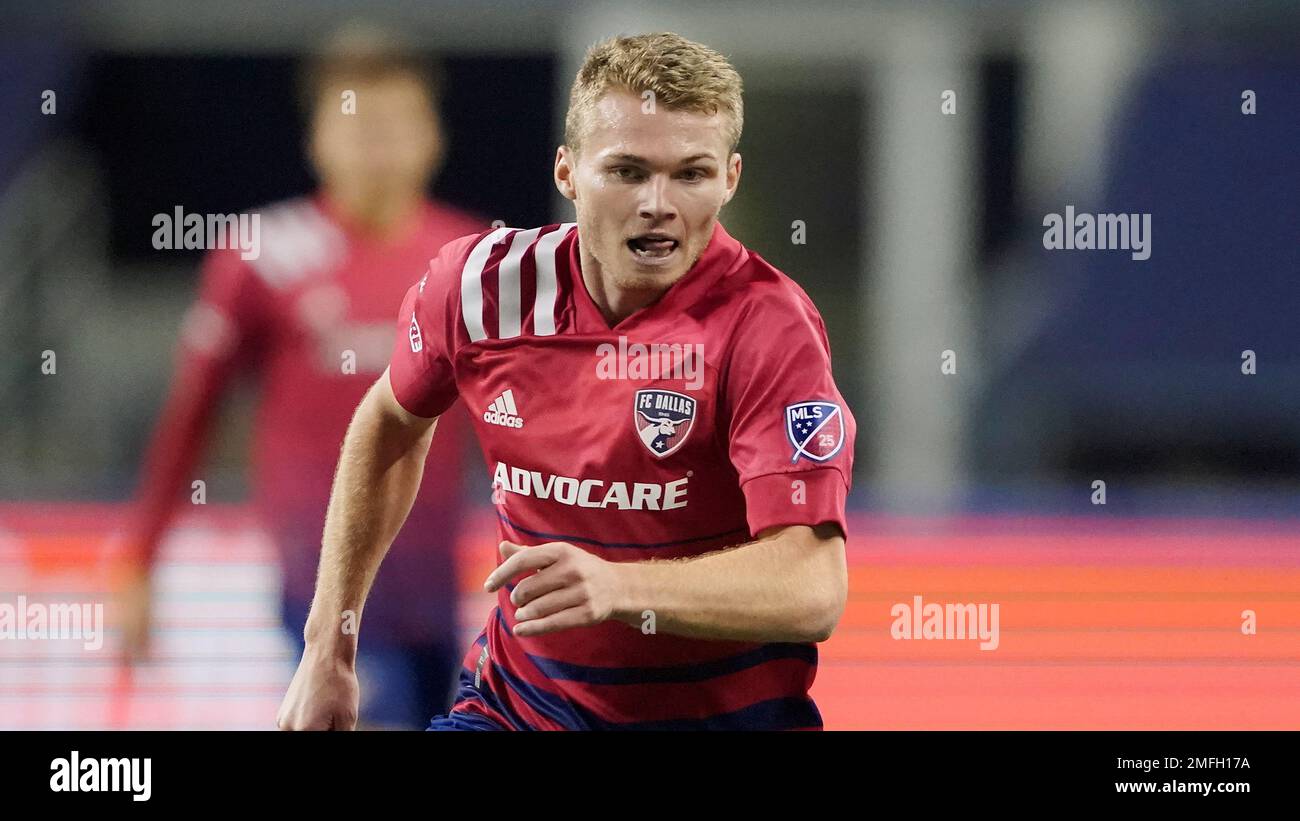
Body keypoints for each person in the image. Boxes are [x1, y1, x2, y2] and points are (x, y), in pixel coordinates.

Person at [277, 31, 854, 731]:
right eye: (628, 171)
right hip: (520, 708)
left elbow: (812, 585)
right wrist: (328, 647)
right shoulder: (481, 289)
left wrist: (618, 584)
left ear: (730, 178)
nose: (658, 203)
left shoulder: (768, 326)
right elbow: (391, 419)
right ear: (567, 172)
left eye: (691, 174)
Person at [120, 30, 483, 729]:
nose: (376, 145)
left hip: (439, 594)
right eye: (355, 123)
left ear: (432, 135)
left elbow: (520, 423)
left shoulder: (471, 260)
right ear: (316, 136)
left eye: (396, 123)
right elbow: (192, 411)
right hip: (322, 592)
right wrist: (139, 558)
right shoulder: (264, 255)